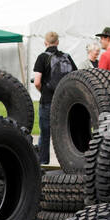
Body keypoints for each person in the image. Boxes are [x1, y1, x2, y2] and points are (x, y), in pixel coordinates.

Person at [32, 31, 76, 165]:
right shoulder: (67, 57)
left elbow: (37, 81)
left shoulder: (42, 57)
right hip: (65, 100)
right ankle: (70, 162)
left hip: (47, 100)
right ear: (57, 42)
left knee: (45, 133)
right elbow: (75, 77)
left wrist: (43, 92)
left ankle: (43, 161)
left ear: (45, 43)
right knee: (66, 132)